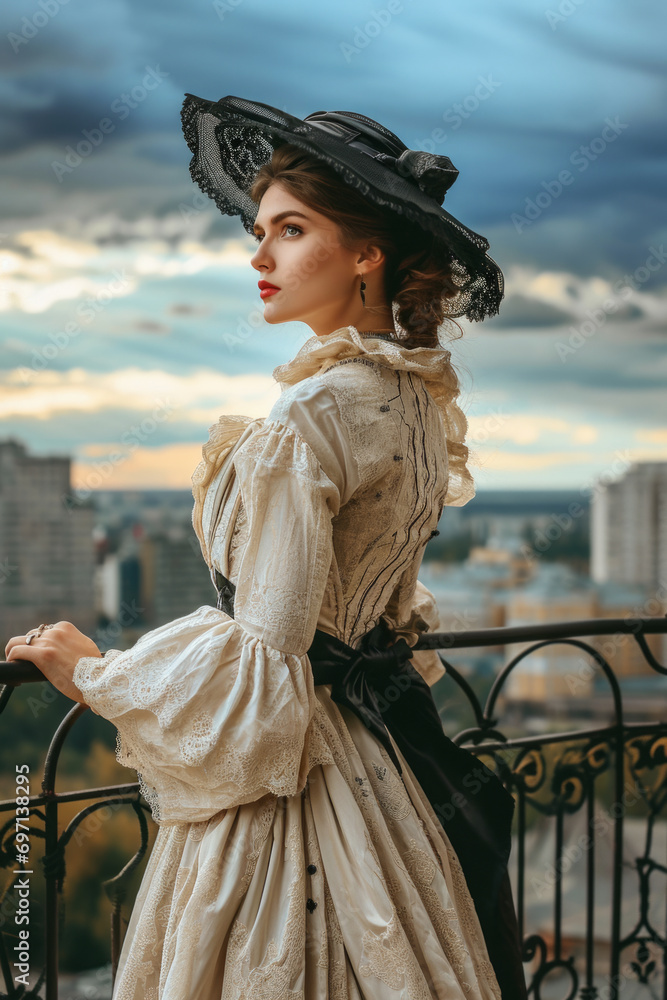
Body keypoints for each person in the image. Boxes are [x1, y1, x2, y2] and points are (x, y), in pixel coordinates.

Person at [5, 94, 526, 999]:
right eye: (259, 229)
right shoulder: (409, 402)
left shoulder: (311, 413)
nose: (258, 255)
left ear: (366, 253)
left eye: (289, 230)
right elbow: (383, 612)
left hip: (303, 786)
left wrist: (97, 677)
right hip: (381, 760)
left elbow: (267, 653)